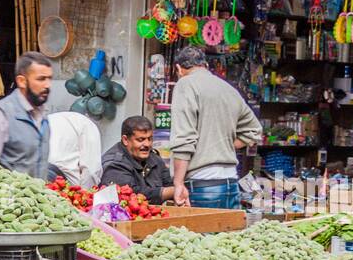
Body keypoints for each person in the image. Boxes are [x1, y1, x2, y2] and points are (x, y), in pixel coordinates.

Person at [166, 46, 261, 209]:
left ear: (179, 69)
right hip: (231, 183)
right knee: (227, 235)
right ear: (205, 65)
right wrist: (221, 146)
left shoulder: (185, 84)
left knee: (201, 235)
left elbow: (184, 139)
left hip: (202, 184)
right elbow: (254, 131)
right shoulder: (227, 88)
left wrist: (178, 183)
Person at [0, 52, 53, 181]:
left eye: (50, 78)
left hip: (36, 199)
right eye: (41, 79)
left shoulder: (43, 117)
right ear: (22, 81)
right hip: (9, 199)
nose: (47, 85)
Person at [101, 115, 175, 203]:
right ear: (125, 140)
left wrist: (176, 191)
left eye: (150, 139)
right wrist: (169, 192)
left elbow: (169, 184)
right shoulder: (115, 163)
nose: (147, 144)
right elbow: (129, 195)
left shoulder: (154, 158)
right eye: (141, 140)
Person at [46, 111, 103, 188]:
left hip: (34, 173)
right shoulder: (89, 125)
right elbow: (91, 171)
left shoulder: (52, 117)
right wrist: (85, 194)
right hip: (58, 179)